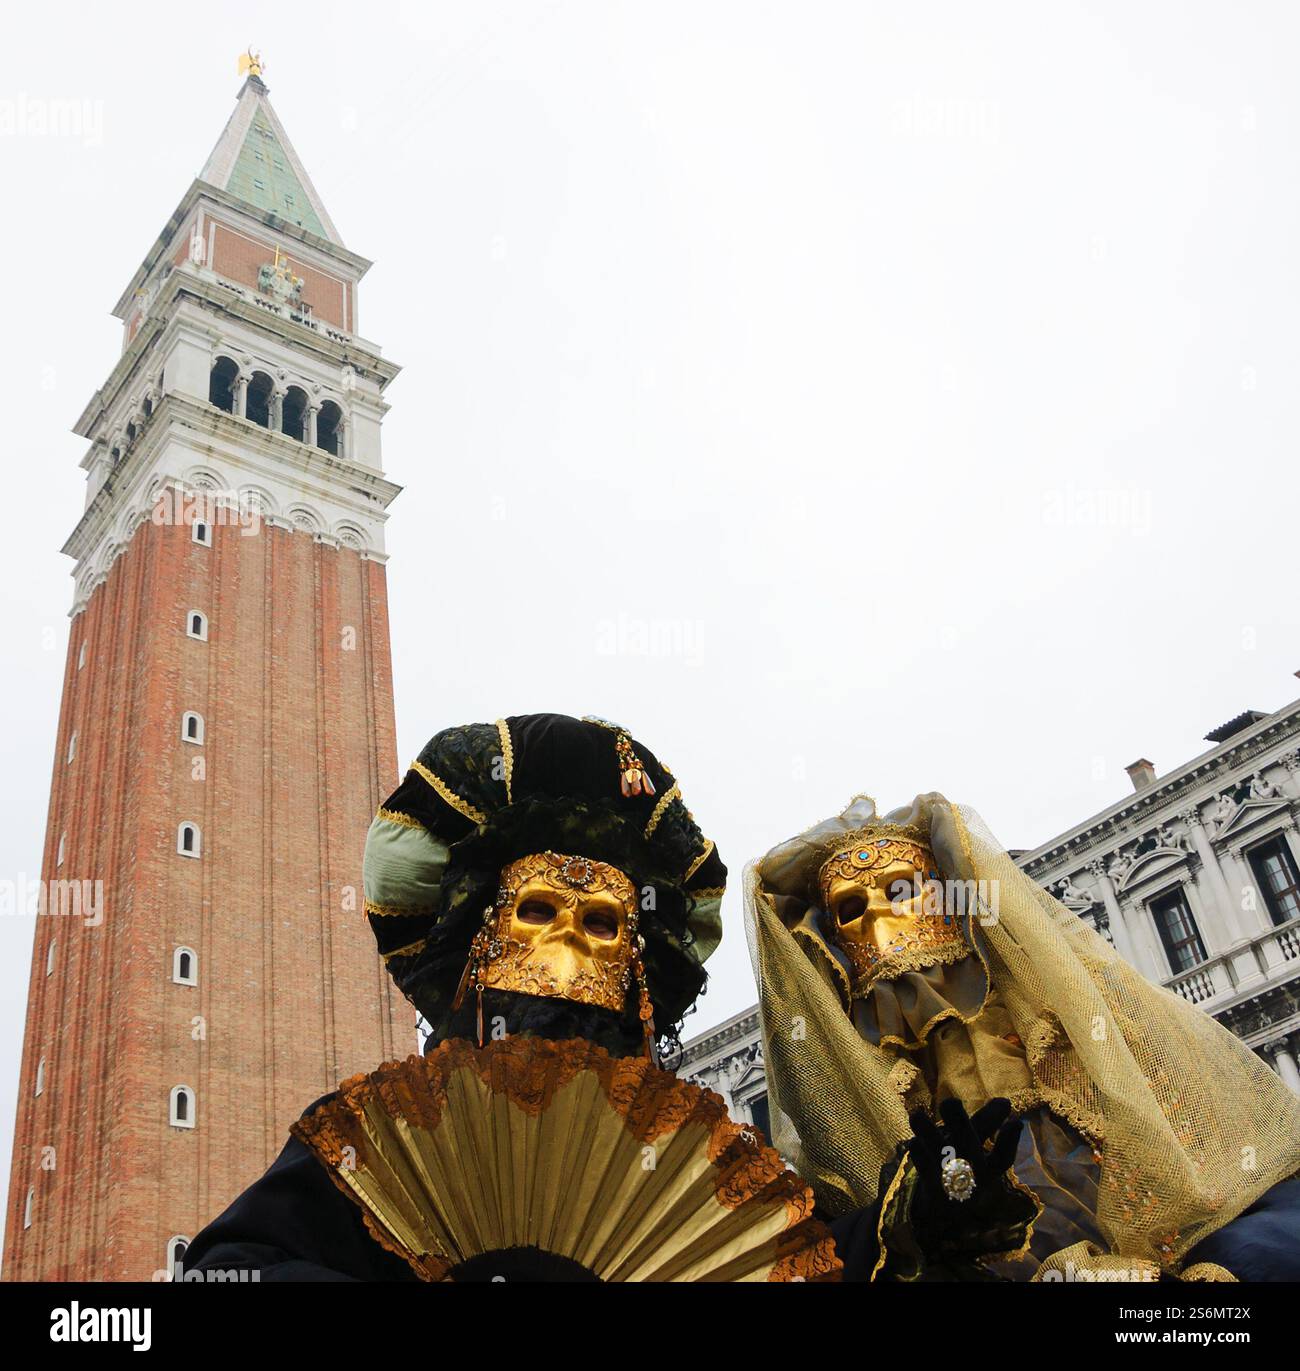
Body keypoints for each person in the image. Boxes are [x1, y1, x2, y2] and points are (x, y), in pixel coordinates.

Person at [746, 792, 1300, 1281]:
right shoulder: (864, 1103)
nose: (882, 923)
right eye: (851, 910)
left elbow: (1210, 1176)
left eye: (903, 891)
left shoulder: (1062, 1031)